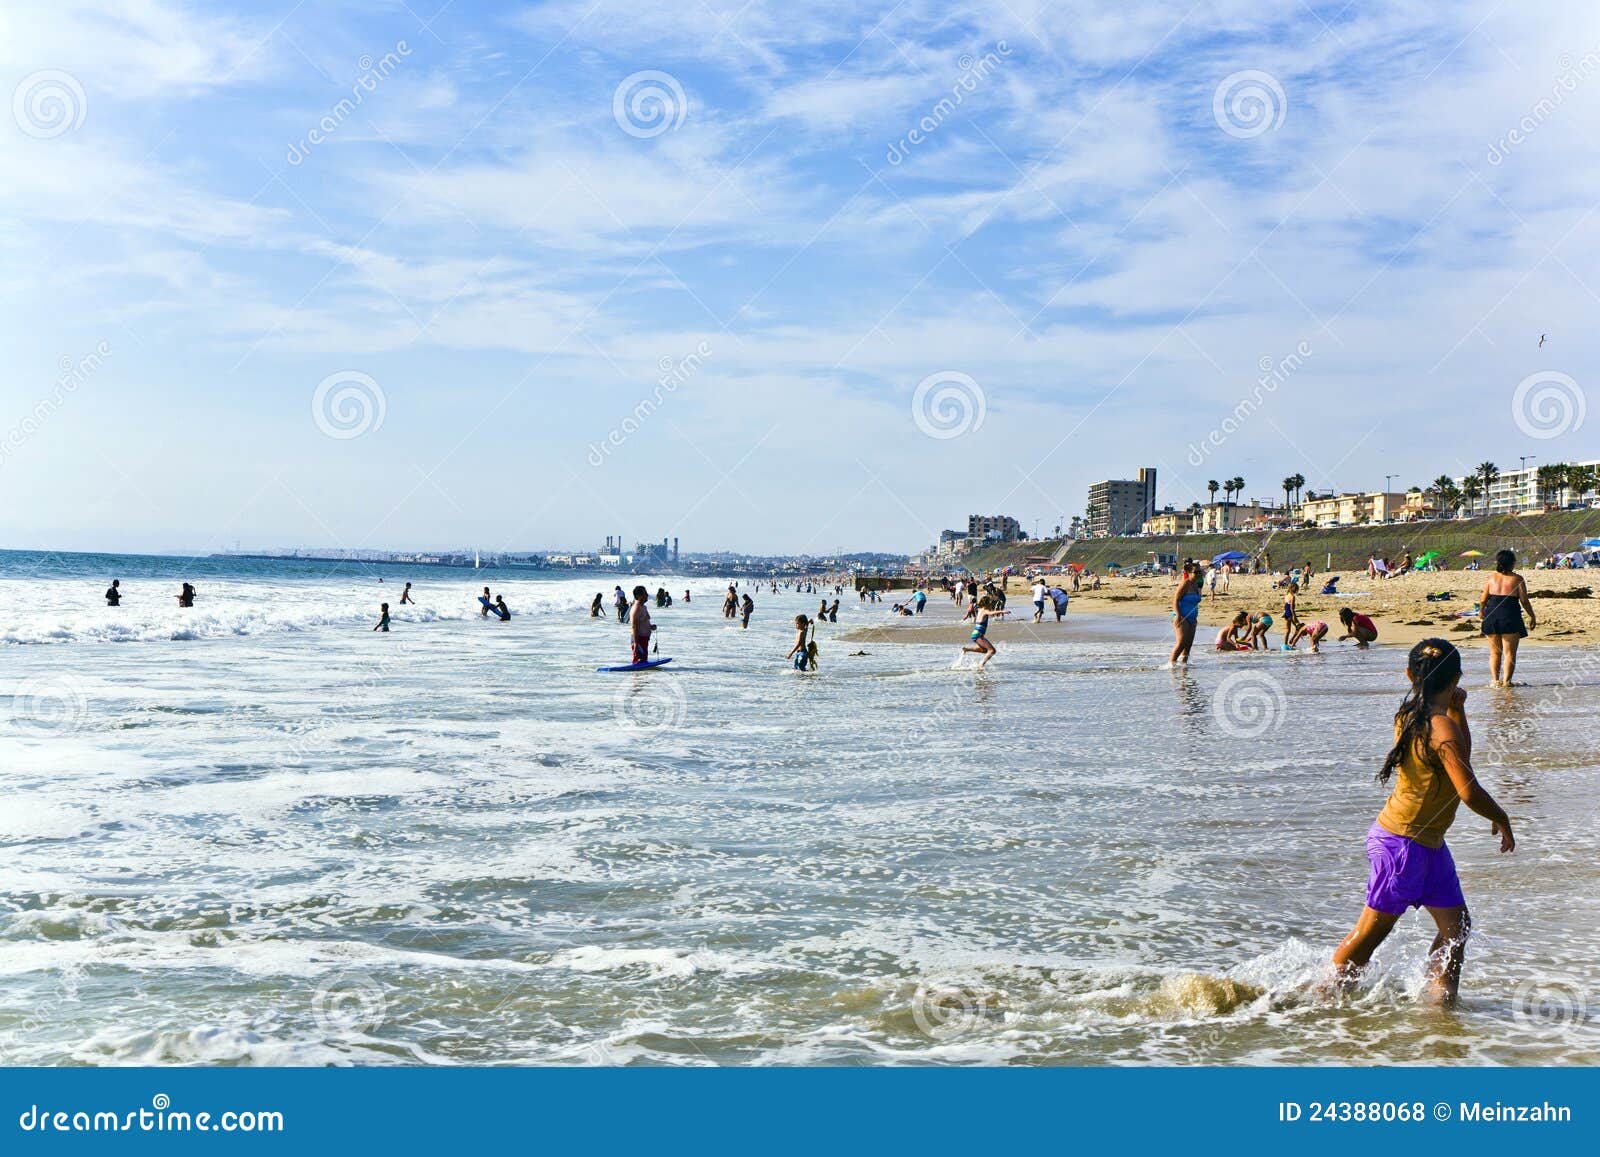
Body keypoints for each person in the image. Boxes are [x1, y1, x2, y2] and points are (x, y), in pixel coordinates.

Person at [1331, 639, 1514, 1004]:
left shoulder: (1411, 715)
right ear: (1457, 676)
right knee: (1369, 935)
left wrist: (1458, 711)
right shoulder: (1439, 728)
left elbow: (1458, 760)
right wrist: (1502, 817)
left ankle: (1439, 1006)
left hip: (1426, 845)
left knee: (1456, 927)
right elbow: (1468, 788)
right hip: (1402, 843)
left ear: (1410, 675)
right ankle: (1324, 998)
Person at [1480, 549, 1536, 686]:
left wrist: (1481, 612)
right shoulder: (1517, 579)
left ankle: (1495, 681)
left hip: (1491, 616)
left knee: (1494, 653)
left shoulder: (1491, 578)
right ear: (1512, 563)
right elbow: (1524, 601)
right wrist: (1532, 616)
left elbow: (1483, 600)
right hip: (1509, 616)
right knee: (1509, 653)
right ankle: (1506, 682)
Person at [962, 596, 1009, 668]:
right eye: (990, 603)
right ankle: (980, 665)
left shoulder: (980, 609)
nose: (991, 604)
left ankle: (967, 649)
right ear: (987, 603)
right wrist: (1002, 611)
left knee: (984, 650)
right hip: (978, 634)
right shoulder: (985, 610)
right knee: (992, 651)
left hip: (976, 634)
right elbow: (991, 613)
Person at [1170, 563, 1201, 666]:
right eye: (1196, 572)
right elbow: (1175, 600)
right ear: (1189, 573)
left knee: (1188, 645)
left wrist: (1195, 617)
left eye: (1199, 572)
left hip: (1192, 618)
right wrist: (1178, 616)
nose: (1198, 574)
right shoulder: (1185, 584)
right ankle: (1172, 665)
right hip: (1182, 616)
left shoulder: (1196, 585)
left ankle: (1184, 668)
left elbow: (1195, 602)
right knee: (1181, 643)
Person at [629, 585, 654, 665]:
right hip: (638, 639)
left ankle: (642, 677)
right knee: (639, 663)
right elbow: (634, 626)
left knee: (643, 662)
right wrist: (636, 643)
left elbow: (644, 621)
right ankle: (636, 677)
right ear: (639, 596)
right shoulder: (636, 609)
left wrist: (650, 626)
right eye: (645, 593)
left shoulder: (644, 607)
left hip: (645, 638)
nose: (647, 595)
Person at [1281, 581, 1300, 649]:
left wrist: (1285, 613)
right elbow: (1292, 608)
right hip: (1291, 613)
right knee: (1299, 628)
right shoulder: (1292, 597)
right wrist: (1294, 616)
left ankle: (1285, 644)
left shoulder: (1286, 595)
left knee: (1287, 630)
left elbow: (1285, 606)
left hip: (1286, 613)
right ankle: (1292, 641)